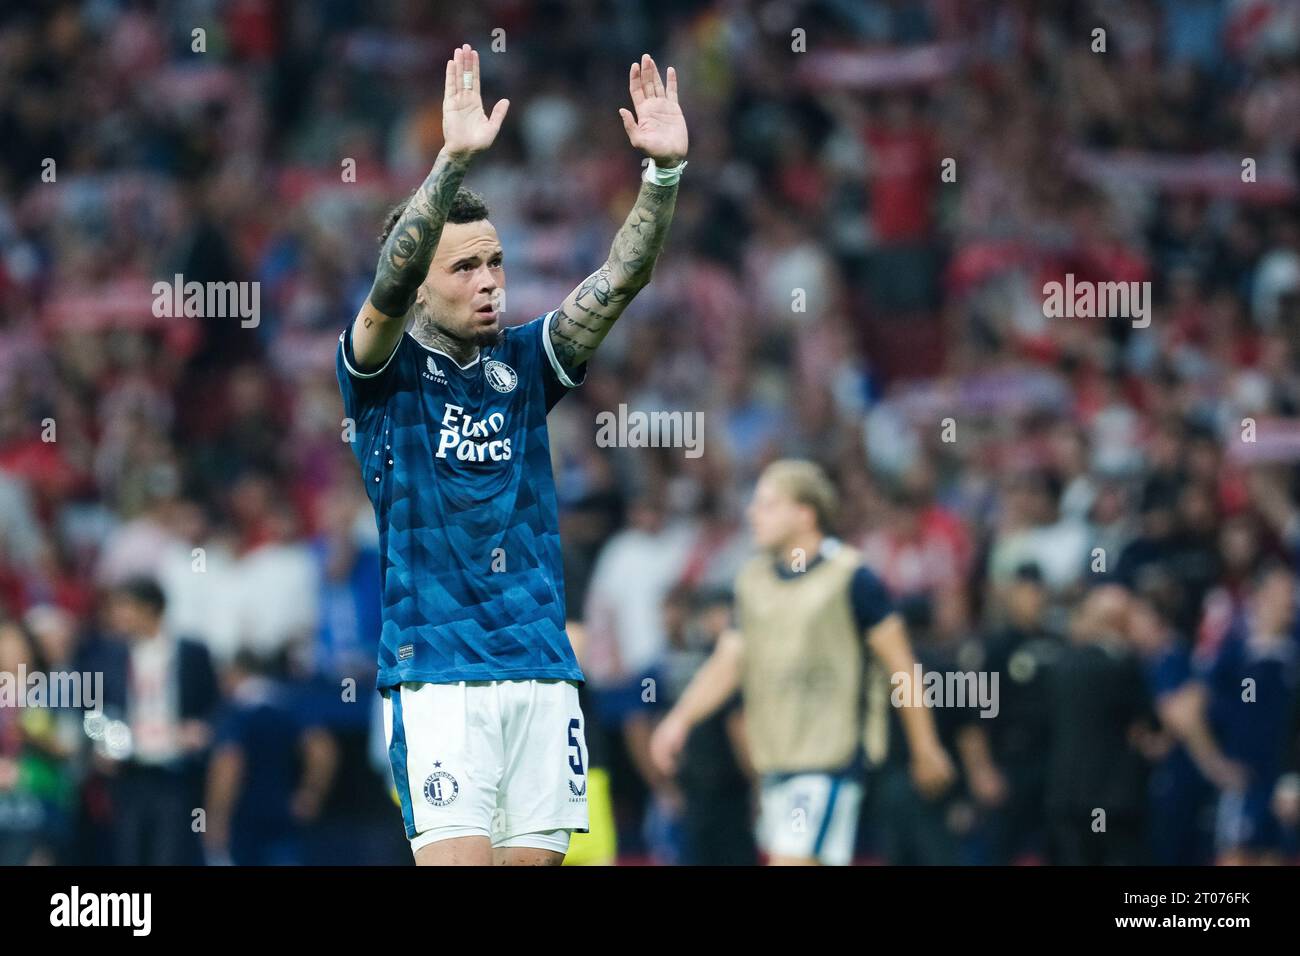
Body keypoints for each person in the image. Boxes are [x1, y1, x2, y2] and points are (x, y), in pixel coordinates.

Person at [336, 44, 688, 865]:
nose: (491, 279)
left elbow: (620, 278)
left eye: (496, 261)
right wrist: (453, 160)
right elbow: (385, 289)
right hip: (438, 677)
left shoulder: (524, 364)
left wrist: (662, 178)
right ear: (423, 282)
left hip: (540, 669)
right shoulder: (382, 372)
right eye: (466, 267)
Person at [650, 459, 955, 865]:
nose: (751, 513)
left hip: (829, 761)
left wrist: (925, 745)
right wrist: (680, 719)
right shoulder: (753, 581)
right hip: (776, 763)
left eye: (767, 504)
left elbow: (901, 666)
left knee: (788, 861)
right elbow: (729, 661)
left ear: (805, 513)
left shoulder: (851, 576)